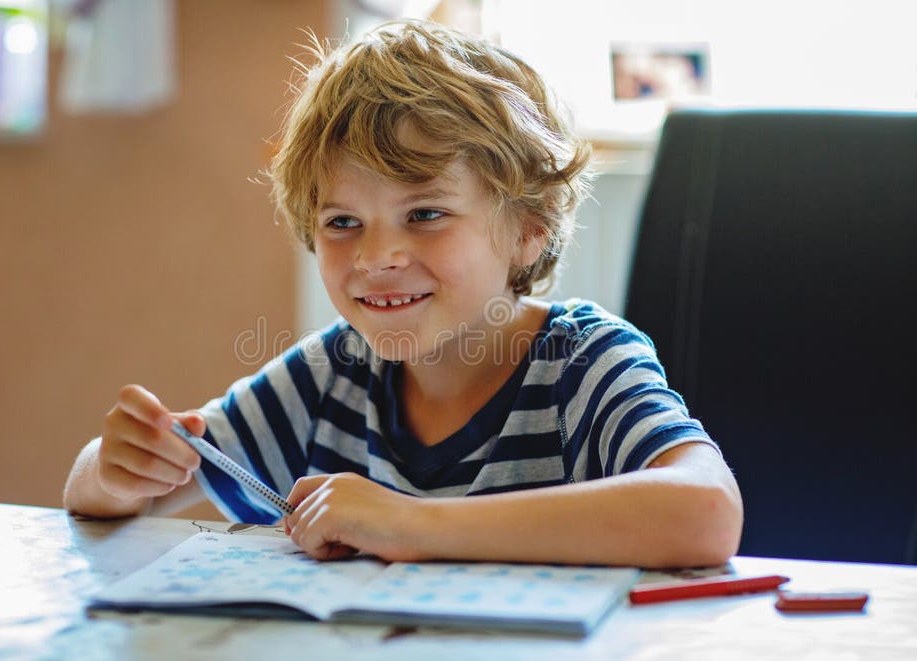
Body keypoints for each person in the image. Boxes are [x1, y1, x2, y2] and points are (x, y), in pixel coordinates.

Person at [63, 20, 742, 568]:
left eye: (425, 214)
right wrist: (116, 470)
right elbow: (120, 494)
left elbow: (707, 512)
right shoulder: (331, 374)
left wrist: (413, 522)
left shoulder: (582, 362)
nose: (377, 256)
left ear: (528, 230)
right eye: (342, 222)